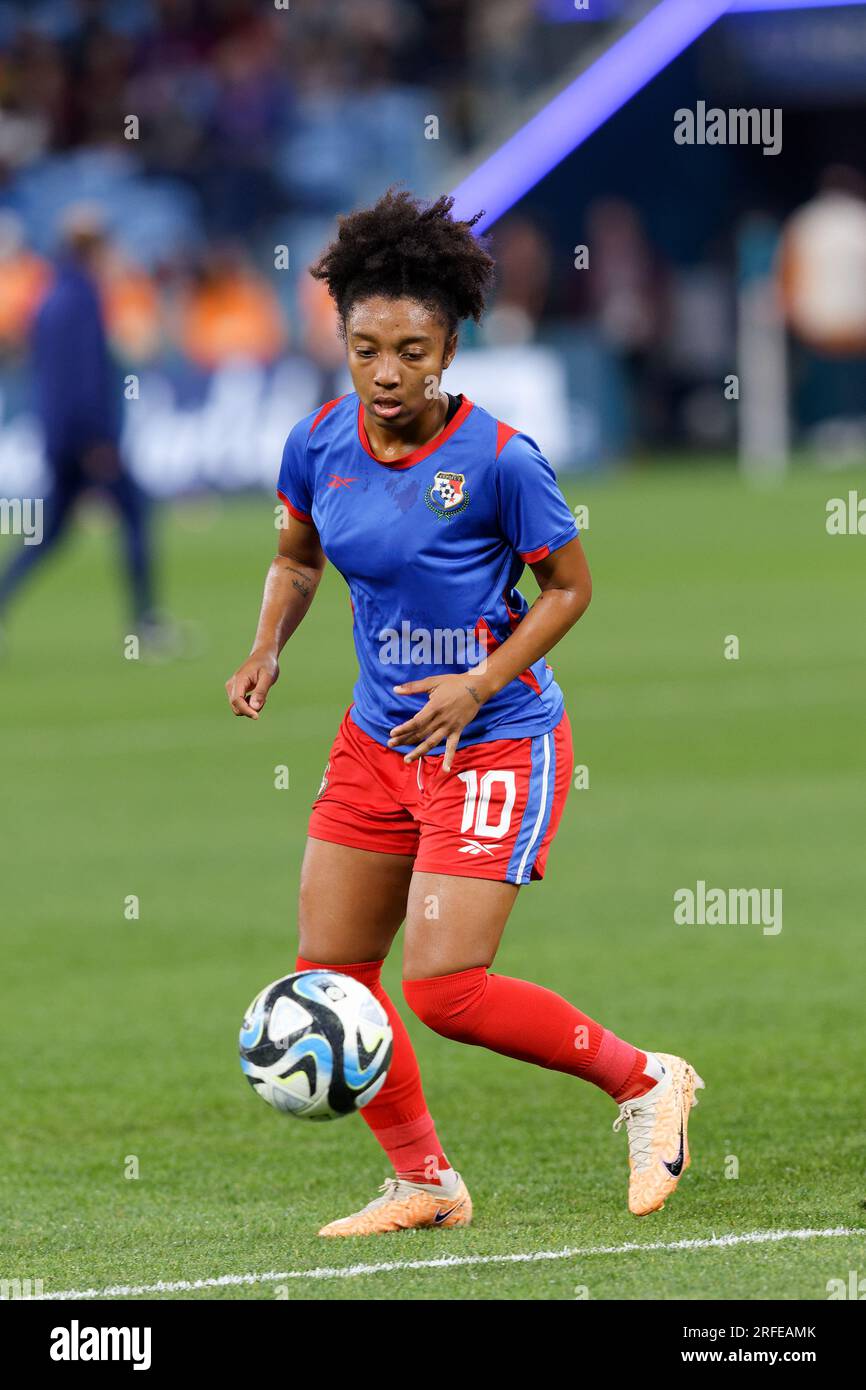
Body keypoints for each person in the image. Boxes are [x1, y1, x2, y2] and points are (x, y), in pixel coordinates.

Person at [226, 190, 704, 1237]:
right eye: (364, 348)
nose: (387, 373)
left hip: (494, 739)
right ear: (340, 338)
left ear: (449, 343)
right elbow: (295, 555)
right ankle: (425, 1182)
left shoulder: (499, 460)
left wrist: (478, 682)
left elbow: (569, 588)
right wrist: (267, 645)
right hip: (375, 741)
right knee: (333, 969)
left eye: (411, 349)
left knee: (442, 989)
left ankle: (643, 1081)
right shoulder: (317, 442)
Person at [0, 207, 158, 637]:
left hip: (60, 435)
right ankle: (145, 623)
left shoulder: (49, 295)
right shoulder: (83, 297)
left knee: (48, 537)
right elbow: (85, 375)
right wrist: (97, 439)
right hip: (85, 437)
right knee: (135, 513)